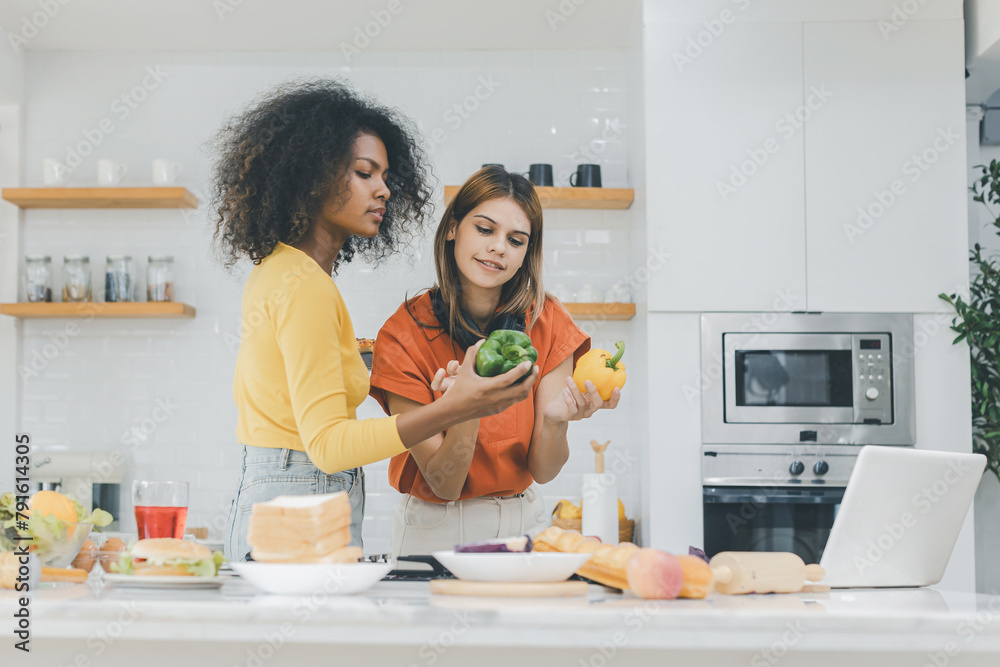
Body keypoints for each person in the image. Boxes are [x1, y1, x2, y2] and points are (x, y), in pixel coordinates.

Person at [212, 81, 539, 561]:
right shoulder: (304, 285)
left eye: (385, 175)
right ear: (311, 176)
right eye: (365, 173)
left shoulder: (284, 270)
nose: (384, 189)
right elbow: (328, 446)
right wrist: (459, 406)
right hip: (301, 498)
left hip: (286, 488)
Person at [370, 166, 621, 557]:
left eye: (516, 240)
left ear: (526, 254)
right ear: (453, 228)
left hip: (522, 524)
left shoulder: (549, 322)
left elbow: (544, 470)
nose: (499, 247)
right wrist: (467, 408)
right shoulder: (403, 336)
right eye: (485, 230)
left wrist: (556, 422)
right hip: (434, 530)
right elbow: (443, 483)